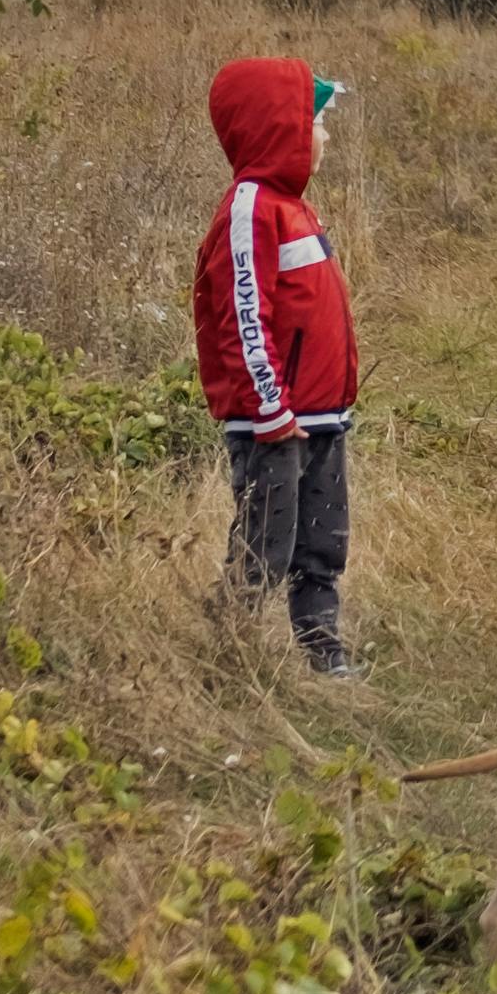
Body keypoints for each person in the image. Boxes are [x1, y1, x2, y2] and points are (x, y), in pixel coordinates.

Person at [194, 52, 359, 673]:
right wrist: (270, 409)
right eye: (314, 120)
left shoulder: (295, 208)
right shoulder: (250, 209)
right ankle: (224, 656)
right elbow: (244, 315)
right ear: (278, 127)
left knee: (322, 543)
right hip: (275, 424)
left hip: (320, 417)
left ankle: (323, 655)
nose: (324, 134)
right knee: (266, 544)